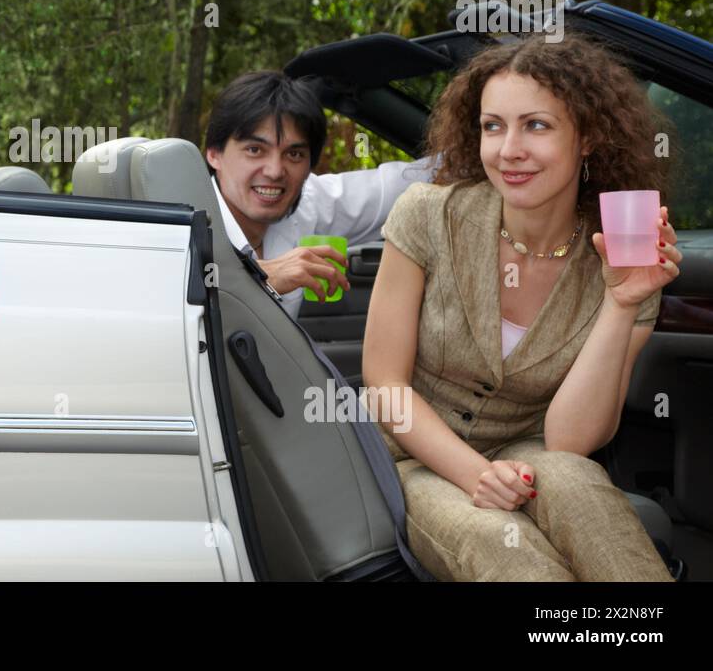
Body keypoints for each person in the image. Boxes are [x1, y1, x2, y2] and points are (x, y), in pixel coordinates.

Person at [362, 29, 679, 581]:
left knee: (586, 495)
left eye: (537, 125)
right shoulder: (428, 216)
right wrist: (477, 474)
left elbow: (569, 442)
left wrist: (623, 303)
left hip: (534, 452)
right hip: (412, 454)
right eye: (492, 126)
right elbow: (385, 385)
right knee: (508, 552)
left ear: (588, 138)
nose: (509, 150)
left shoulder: (625, 260)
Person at [204, 71, 436, 319]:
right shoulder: (176, 224)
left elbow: (398, 185)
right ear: (214, 154)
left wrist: (480, 149)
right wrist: (256, 278)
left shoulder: (307, 203)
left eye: (294, 154)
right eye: (254, 150)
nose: (274, 171)